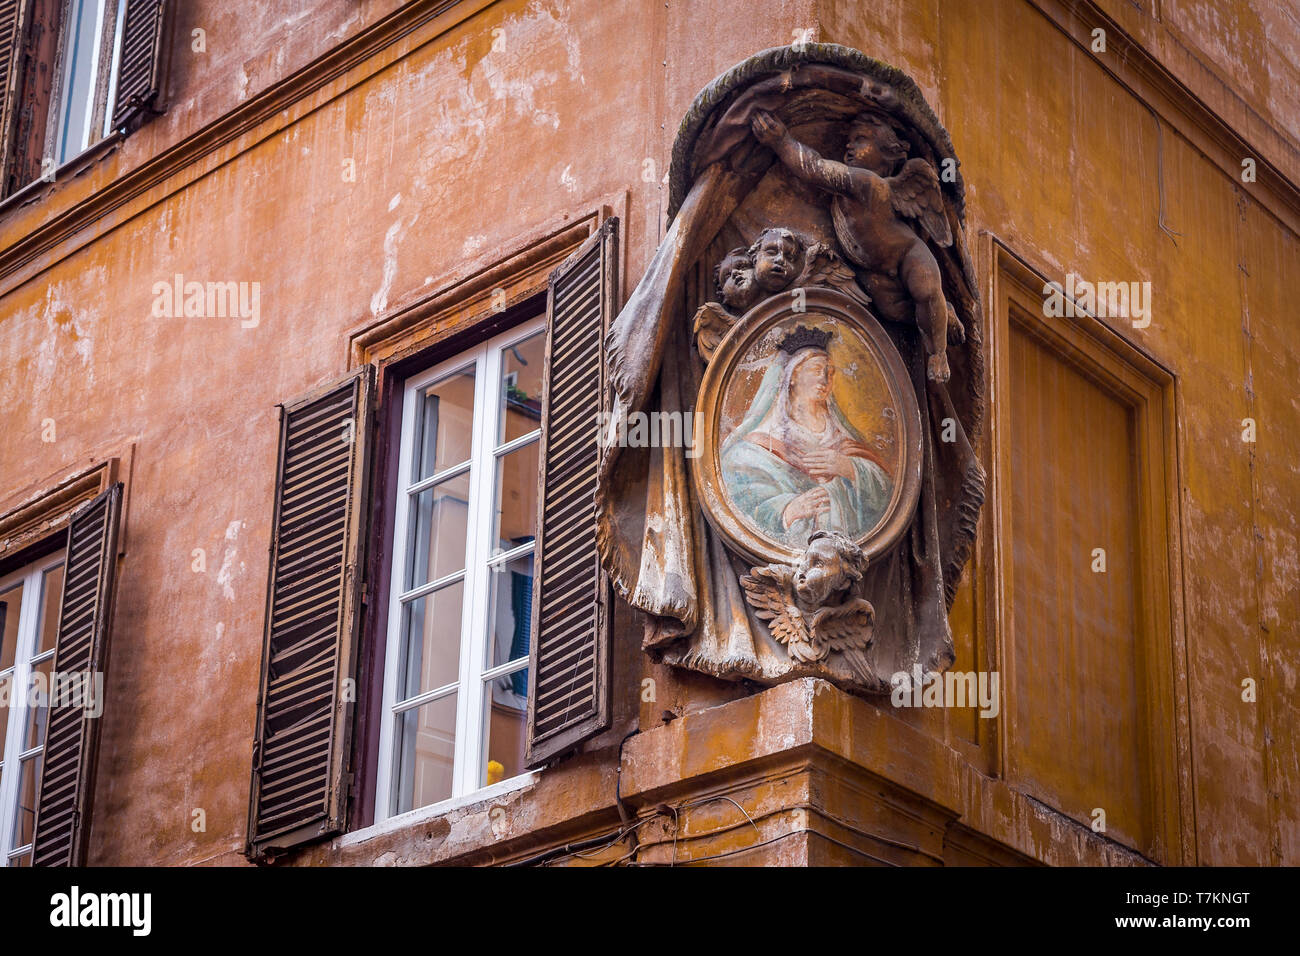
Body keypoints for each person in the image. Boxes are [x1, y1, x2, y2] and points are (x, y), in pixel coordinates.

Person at [721, 325, 893, 547]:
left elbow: (887, 495)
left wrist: (850, 469)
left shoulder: (844, 442)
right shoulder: (756, 447)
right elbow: (741, 498)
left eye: (830, 373)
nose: (825, 379)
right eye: (815, 370)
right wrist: (788, 510)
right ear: (791, 377)